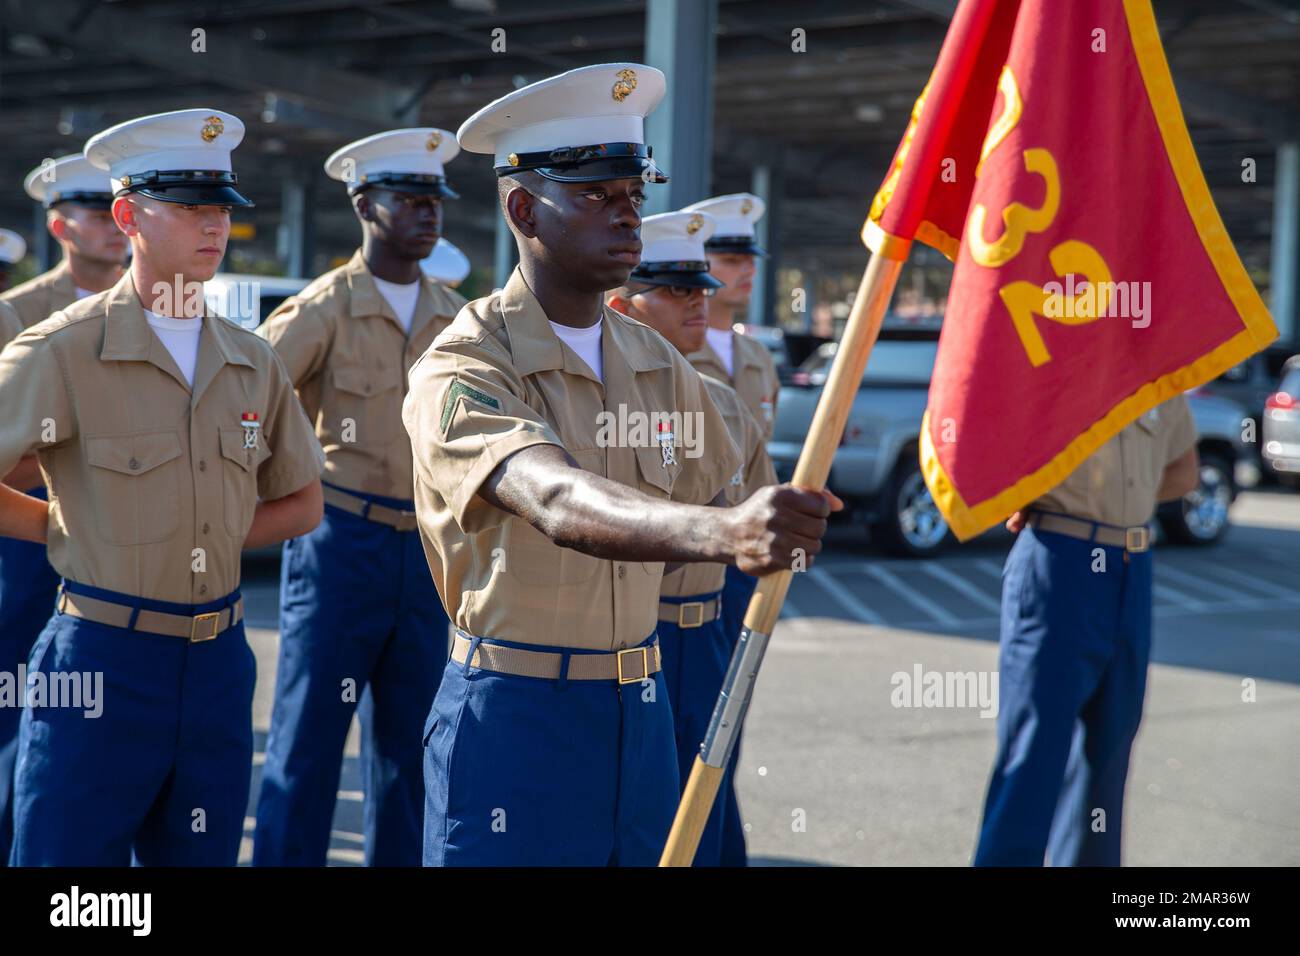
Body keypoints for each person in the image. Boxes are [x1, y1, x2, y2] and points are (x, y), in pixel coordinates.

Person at [403, 63, 840, 866]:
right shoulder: (465, 363)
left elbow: (718, 493)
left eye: (634, 194)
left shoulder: (658, 362)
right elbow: (555, 497)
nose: (628, 214)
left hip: (643, 709)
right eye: (596, 196)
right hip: (515, 715)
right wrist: (724, 534)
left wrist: (778, 519)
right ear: (524, 209)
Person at [0, 108, 325, 866]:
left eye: (221, 207)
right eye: (186, 206)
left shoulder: (252, 358)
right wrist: (70, 532)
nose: (212, 224)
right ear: (128, 217)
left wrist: (194, 538)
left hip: (219, 664)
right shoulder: (63, 349)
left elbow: (302, 502)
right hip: (101, 659)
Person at [254, 127, 465, 867]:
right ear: (364, 205)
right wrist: (284, 490)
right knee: (307, 741)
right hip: (341, 542)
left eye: (434, 199)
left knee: (412, 751)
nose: (427, 212)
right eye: (409, 198)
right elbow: (249, 406)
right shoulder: (323, 308)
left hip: (427, 554)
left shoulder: (455, 317)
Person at [606, 209, 774, 866]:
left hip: (705, 630)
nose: (697, 301)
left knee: (707, 803)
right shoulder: (600, 401)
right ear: (624, 304)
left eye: (700, 286)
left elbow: (764, 513)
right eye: (675, 290)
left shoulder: (722, 402)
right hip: (627, 636)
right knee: (633, 814)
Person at [974, 398, 1200, 866]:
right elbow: (989, 445)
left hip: (1132, 563)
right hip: (1061, 556)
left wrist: (1117, 496)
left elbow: (1185, 471)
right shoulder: (1054, 361)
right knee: (1033, 756)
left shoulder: (1158, 375)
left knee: (1107, 756)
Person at [0, 157, 128, 866]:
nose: (112, 226)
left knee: (105, 718)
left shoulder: (163, 309)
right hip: (29, 537)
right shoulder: (16, 314)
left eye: (117, 210)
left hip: (123, 541)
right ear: (59, 226)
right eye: (92, 211)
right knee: (17, 707)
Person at [680, 191, 782, 865]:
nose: (745, 271)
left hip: (744, 572)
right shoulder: (667, 352)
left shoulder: (756, 358)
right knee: (689, 732)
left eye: (749, 259)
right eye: (729, 258)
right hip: (683, 564)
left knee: (728, 724)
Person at [3, 154, 127, 329]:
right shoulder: (15, 311)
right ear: (61, 228)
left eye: (122, 216)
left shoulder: (152, 299)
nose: (119, 228)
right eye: (102, 218)